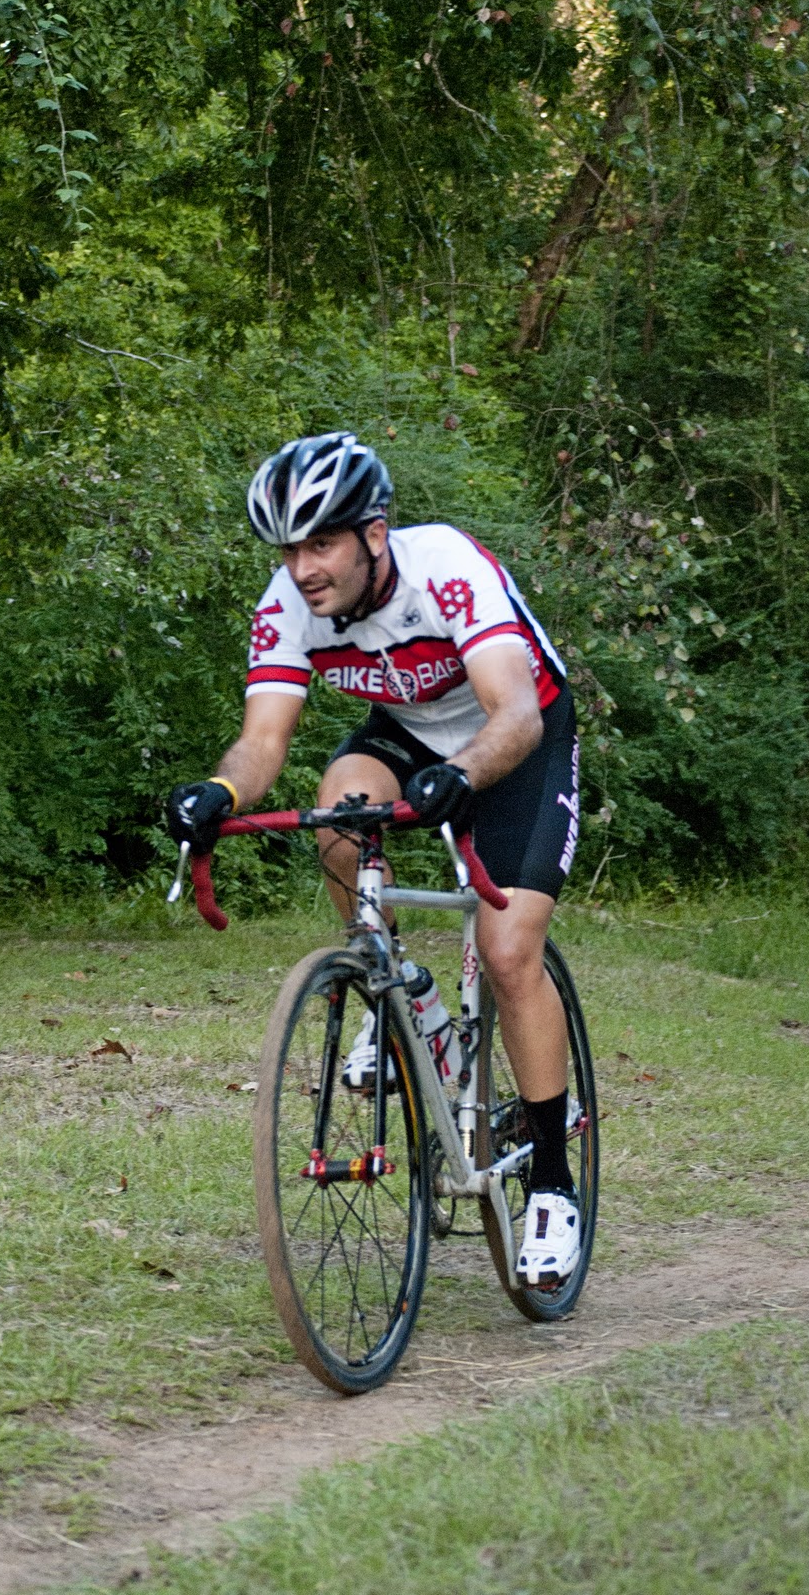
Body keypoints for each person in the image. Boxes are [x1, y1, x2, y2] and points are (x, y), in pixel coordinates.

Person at [166, 432, 583, 1287]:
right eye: (289, 547)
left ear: (375, 534)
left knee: (509, 953)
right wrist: (219, 790)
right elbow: (262, 741)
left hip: (518, 737)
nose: (303, 567)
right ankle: (400, 987)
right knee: (338, 806)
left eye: (320, 542)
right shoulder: (288, 604)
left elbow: (513, 715)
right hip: (409, 732)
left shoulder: (445, 568)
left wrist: (460, 776)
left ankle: (552, 1182)